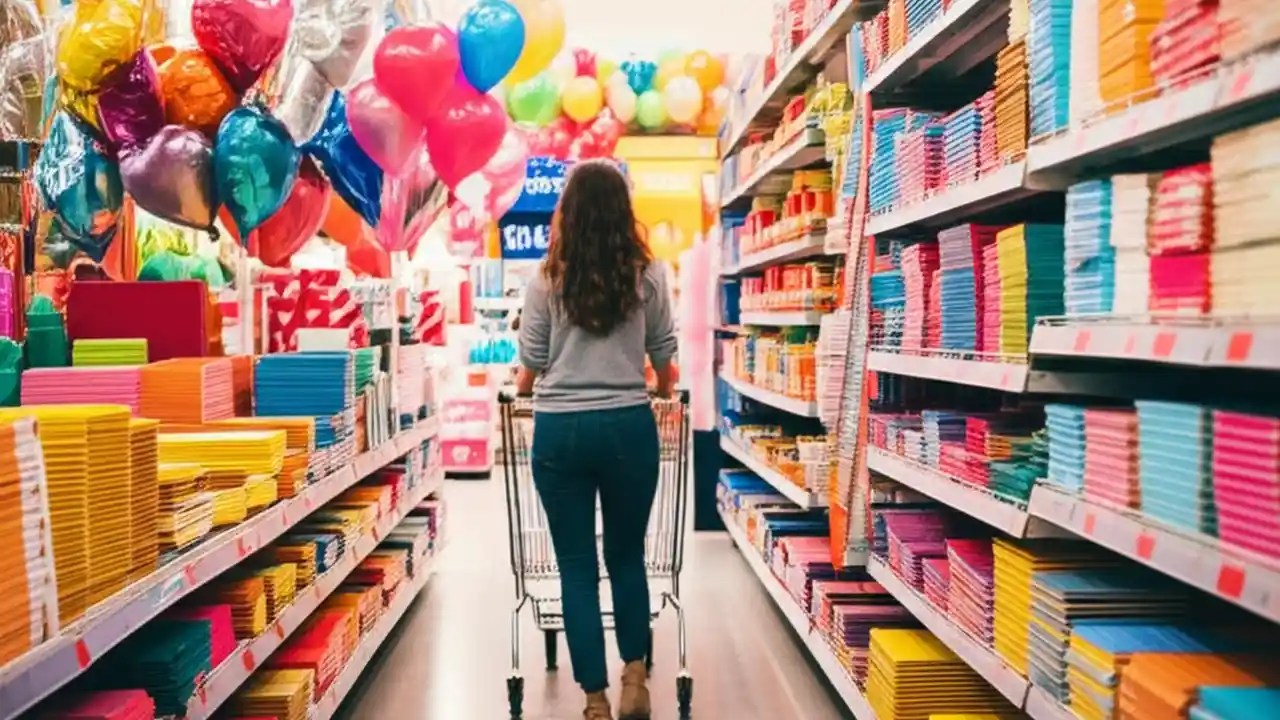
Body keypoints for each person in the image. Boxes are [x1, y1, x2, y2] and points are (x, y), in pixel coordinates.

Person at [516, 159, 677, 720]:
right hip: (629, 427)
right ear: (622, 211)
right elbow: (663, 354)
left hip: (560, 432)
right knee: (628, 556)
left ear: (569, 212)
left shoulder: (546, 279)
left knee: (576, 568)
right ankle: (635, 677)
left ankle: (594, 700)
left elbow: (532, 364)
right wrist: (662, 391)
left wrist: (522, 388)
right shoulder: (649, 275)